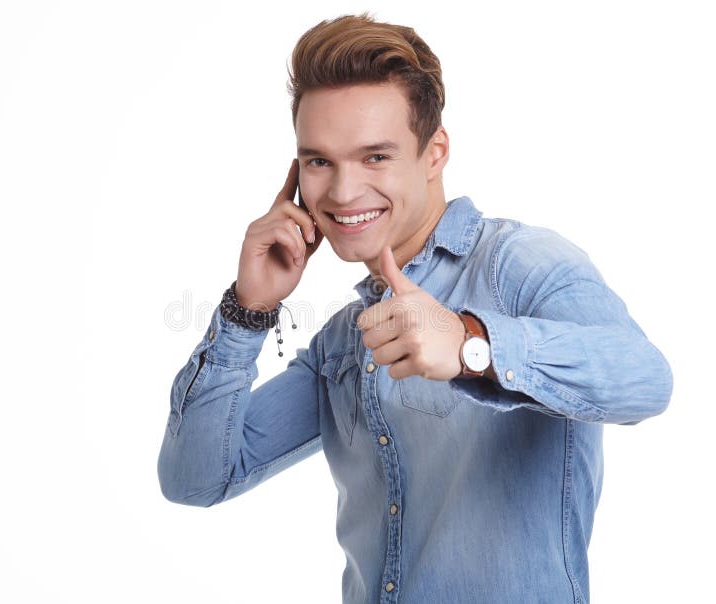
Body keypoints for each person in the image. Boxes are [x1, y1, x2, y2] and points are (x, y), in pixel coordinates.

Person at [157, 12, 673, 604]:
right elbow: (195, 478)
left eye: (375, 157)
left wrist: (470, 343)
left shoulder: (519, 264)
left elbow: (646, 380)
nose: (342, 192)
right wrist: (248, 309)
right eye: (319, 161)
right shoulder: (344, 341)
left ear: (435, 153)